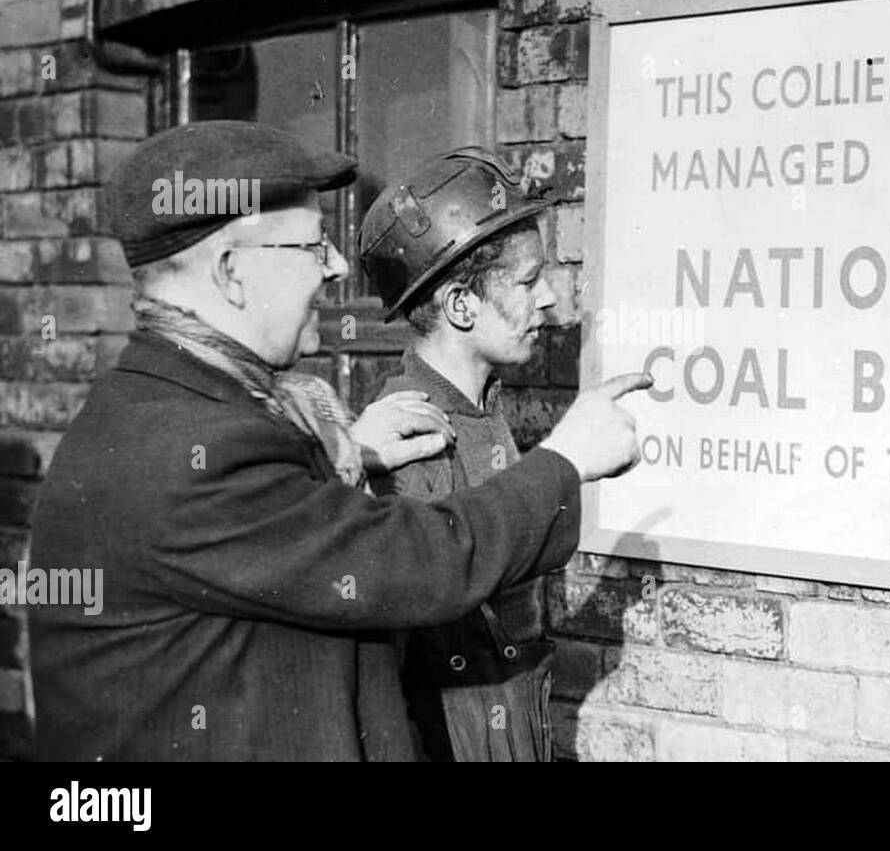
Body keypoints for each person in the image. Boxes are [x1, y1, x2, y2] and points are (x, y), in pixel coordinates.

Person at [28, 121, 648, 761]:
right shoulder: (196, 449)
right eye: (313, 247)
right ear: (232, 273)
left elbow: (278, 549)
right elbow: (417, 563)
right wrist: (566, 457)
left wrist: (344, 455)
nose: (337, 266)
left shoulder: (184, 407)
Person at [359, 147, 561, 761]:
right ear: (460, 306)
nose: (549, 297)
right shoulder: (415, 433)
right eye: (528, 281)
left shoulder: (481, 407)